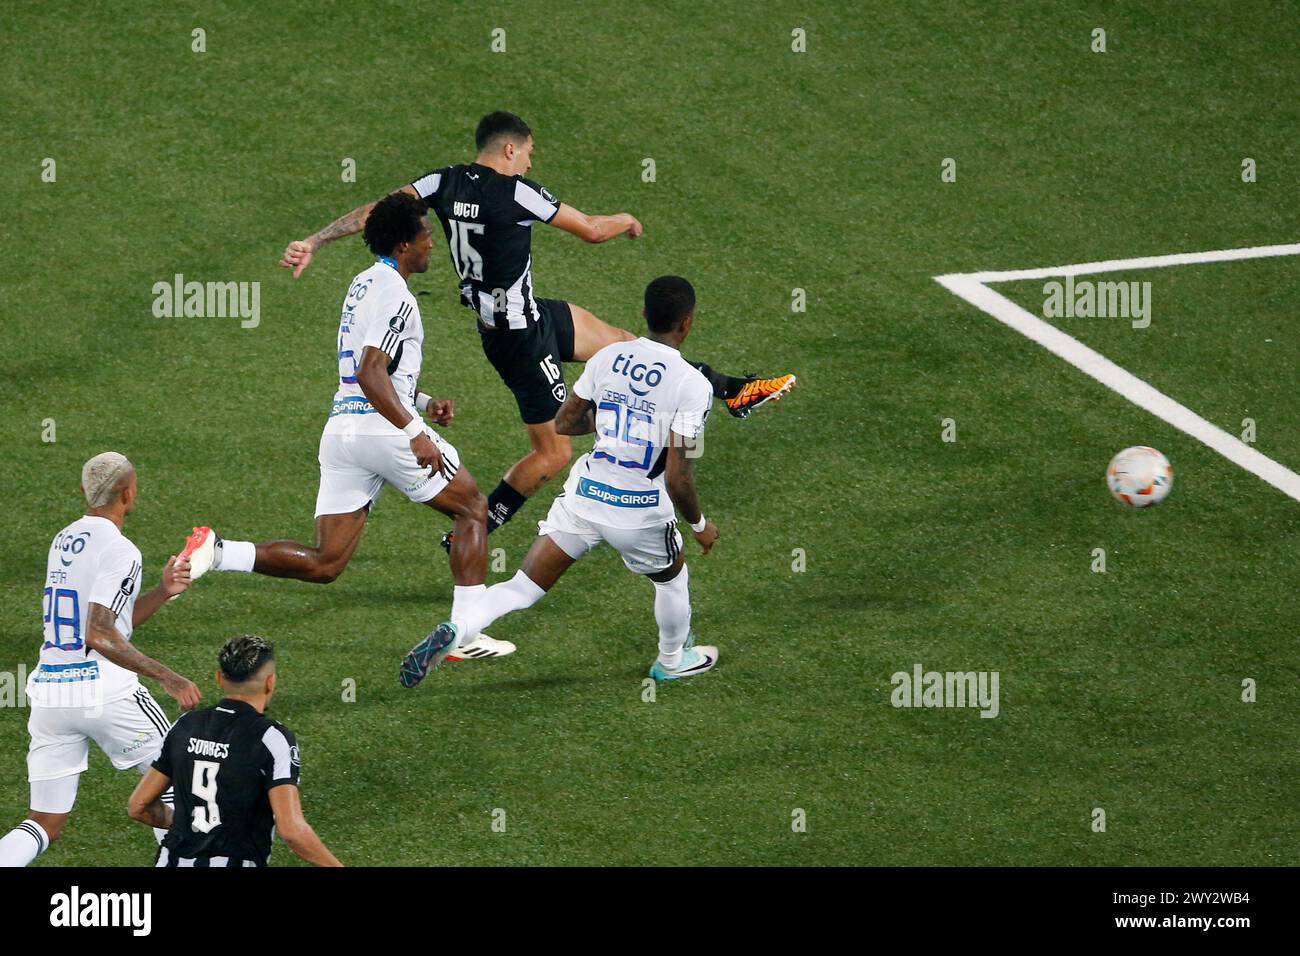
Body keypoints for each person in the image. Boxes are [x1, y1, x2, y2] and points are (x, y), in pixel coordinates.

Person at [279, 112, 794, 549]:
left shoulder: (441, 182)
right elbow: (591, 230)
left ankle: (734, 391)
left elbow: (377, 212)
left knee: (624, 343)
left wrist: (315, 239)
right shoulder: (519, 192)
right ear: (508, 150)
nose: (531, 161)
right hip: (517, 340)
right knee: (553, 452)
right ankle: (474, 528)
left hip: (531, 315)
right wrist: (627, 218)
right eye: (528, 153)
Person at [184, 192, 511, 659]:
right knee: (473, 507)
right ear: (403, 245)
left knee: (326, 562)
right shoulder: (397, 295)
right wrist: (413, 430)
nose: (431, 246)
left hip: (343, 432)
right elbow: (371, 371)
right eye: (425, 237)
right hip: (384, 431)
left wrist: (423, 400)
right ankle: (466, 632)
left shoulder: (362, 284)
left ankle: (217, 552)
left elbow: (369, 370)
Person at [400, 276, 722, 688]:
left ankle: (458, 630)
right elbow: (679, 477)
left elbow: (566, 422)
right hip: (638, 510)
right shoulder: (693, 385)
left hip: (584, 496)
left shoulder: (609, 357)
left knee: (523, 586)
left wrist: (610, 423)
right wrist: (699, 526)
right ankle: (672, 659)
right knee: (671, 578)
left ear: (643, 314)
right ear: (688, 323)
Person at [0, 452, 201, 867]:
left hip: (51, 695)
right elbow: (99, 633)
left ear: (84, 493)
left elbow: (105, 627)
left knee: (43, 822)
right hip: (105, 693)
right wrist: (169, 677)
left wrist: (162, 591)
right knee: (186, 786)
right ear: (128, 494)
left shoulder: (64, 539)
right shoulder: (120, 548)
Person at [129, 634, 342, 867]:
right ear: (270, 682)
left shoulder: (185, 725)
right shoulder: (271, 738)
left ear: (219, 678)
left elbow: (139, 806)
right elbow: (291, 830)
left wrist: (187, 824)